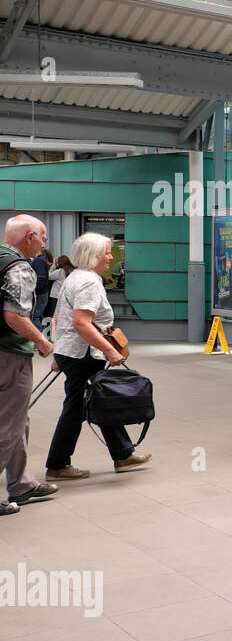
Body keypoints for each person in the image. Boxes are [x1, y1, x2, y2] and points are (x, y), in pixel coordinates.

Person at [45, 232, 151, 479]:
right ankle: (57, 464)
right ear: (93, 256)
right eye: (106, 252)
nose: (110, 257)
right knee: (77, 408)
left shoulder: (74, 277)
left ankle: (123, 454)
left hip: (72, 353)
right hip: (84, 356)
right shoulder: (89, 282)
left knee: (99, 399)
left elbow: (60, 317)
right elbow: (82, 323)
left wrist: (58, 353)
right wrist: (110, 349)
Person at [0, 216, 58, 514]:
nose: (44, 243)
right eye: (43, 237)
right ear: (31, 236)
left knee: (18, 419)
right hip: (9, 354)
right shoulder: (19, 267)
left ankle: (21, 483)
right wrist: (42, 341)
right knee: (9, 423)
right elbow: (14, 316)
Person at [30, 247, 50, 324]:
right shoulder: (41, 260)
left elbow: (40, 278)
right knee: (39, 316)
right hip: (43, 292)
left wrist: (35, 291)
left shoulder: (38, 260)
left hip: (40, 293)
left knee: (35, 317)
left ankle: (38, 335)